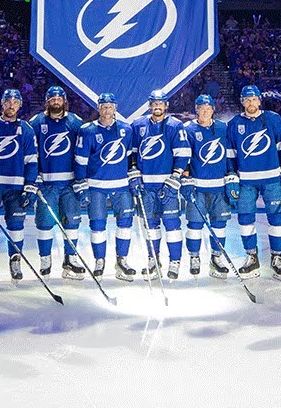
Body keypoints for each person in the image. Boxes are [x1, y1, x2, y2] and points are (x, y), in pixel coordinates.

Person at [225, 85, 281, 277]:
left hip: (272, 178)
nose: (250, 103)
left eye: (253, 99)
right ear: (242, 102)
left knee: (277, 219)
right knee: (245, 219)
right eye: (247, 100)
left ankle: (276, 257)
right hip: (246, 181)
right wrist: (231, 174)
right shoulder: (234, 123)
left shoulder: (272, 119)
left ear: (259, 100)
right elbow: (230, 154)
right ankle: (252, 257)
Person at [74, 93, 137, 280]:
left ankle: (122, 260)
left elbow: (130, 157)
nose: (106, 109)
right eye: (103, 106)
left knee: (125, 223)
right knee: (97, 225)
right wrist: (80, 182)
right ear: (98, 107)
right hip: (96, 186)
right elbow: (80, 160)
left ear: (115, 108)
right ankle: (99, 261)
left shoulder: (126, 129)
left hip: (121, 185)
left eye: (110, 106)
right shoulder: (88, 130)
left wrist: (133, 174)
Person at [0, 89, 40, 281]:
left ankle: (15, 259)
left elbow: (31, 160)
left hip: (16, 186)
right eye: (8, 102)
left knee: (16, 225)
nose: (11, 105)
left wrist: (30, 184)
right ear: (2, 104)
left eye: (15, 102)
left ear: (20, 105)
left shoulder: (27, 129)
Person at [130, 90, 190, 278]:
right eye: (154, 103)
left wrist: (176, 176)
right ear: (150, 105)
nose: (157, 106)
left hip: (167, 185)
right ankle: (153, 260)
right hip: (146, 186)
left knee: (172, 224)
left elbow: (183, 153)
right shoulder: (138, 124)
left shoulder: (174, 125)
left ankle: (175, 261)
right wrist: (133, 170)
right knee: (151, 226)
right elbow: (131, 152)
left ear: (166, 105)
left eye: (161, 103)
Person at [28, 86, 86, 280]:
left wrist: (81, 179)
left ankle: (70, 259)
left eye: (58, 99)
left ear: (64, 101)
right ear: (47, 101)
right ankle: (45, 259)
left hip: (70, 184)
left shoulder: (75, 122)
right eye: (52, 99)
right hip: (46, 184)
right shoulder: (36, 122)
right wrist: (33, 177)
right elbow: (29, 152)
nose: (55, 102)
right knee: (44, 224)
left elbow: (83, 151)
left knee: (72, 223)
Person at [182, 94, 237, 278]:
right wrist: (186, 176)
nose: (205, 111)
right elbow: (184, 155)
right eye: (201, 108)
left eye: (208, 108)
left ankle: (216, 258)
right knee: (195, 224)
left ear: (213, 110)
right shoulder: (188, 129)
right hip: (197, 186)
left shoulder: (222, 128)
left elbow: (229, 154)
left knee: (219, 224)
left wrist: (231, 175)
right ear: (196, 110)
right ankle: (194, 256)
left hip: (219, 187)